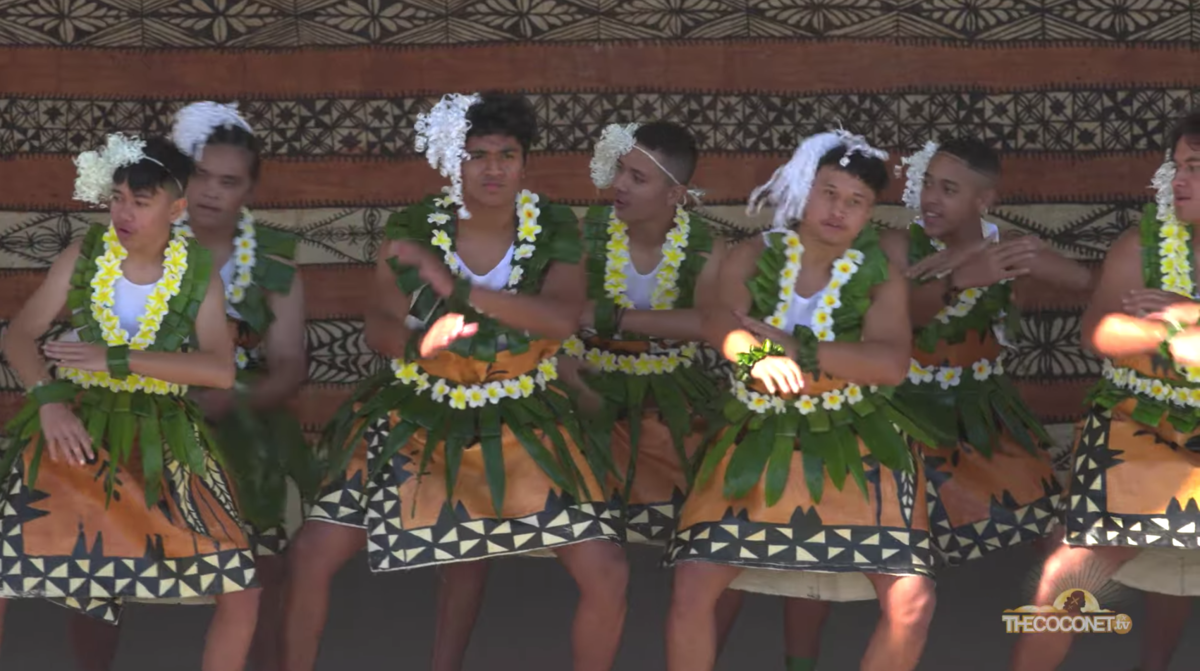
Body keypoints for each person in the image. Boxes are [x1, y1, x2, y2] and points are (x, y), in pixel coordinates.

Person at [281, 92, 627, 671]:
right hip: (419, 408)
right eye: (477, 155)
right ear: (452, 161)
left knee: (607, 570)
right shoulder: (414, 224)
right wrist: (418, 344)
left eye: (507, 154)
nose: (493, 168)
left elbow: (561, 319)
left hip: (522, 413)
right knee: (313, 552)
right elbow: (379, 322)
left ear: (524, 162)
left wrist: (454, 289)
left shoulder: (556, 223)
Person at [776, 137, 1092, 671]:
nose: (931, 199)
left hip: (984, 417)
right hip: (900, 414)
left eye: (949, 189)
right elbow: (895, 313)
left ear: (984, 201)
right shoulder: (897, 246)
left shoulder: (1007, 246)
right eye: (927, 184)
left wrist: (1043, 263)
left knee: (1065, 547)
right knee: (828, 551)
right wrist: (961, 276)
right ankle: (798, 663)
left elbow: (1092, 284)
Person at [664, 129, 937, 671]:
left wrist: (794, 346)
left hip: (857, 444)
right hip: (758, 436)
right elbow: (721, 320)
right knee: (693, 586)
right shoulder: (751, 254)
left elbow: (889, 363)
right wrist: (753, 359)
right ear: (801, 190)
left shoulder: (882, 276)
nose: (839, 210)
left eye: (856, 202)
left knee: (911, 602)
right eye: (828, 193)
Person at [0, 134, 260, 671]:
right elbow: (20, 335)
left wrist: (117, 358)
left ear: (177, 207)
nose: (123, 212)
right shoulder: (84, 255)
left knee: (240, 588)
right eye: (118, 197)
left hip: (166, 436)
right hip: (75, 429)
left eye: (140, 203)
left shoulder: (196, 272)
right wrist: (49, 403)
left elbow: (218, 368)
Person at [1011, 111, 1200, 671]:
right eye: (1176, 166)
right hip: (1137, 428)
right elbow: (1099, 332)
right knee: (1068, 572)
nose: (1178, 180)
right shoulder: (1139, 248)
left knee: (1180, 571)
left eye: (1196, 167)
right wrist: (1170, 334)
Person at [568, 120, 743, 645]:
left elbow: (713, 325)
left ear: (675, 194)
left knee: (733, 515)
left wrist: (614, 318)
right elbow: (560, 312)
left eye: (637, 177)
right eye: (620, 170)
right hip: (591, 388)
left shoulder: (708, 249)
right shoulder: (586, 234)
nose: (619, 184)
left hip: (675, 393)